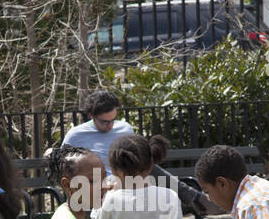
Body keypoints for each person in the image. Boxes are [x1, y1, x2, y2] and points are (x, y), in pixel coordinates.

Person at [61, 88, 210, 212]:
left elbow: (137, 159)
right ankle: (195, 198)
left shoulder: (125, 128)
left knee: (151, 167)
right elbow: (62, 165)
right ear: (91, 115)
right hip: (97, 183)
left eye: (113, 120)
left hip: (129, 178)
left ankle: (196, 198)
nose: (110, 126)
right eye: (105, 122)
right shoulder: (76, 135)